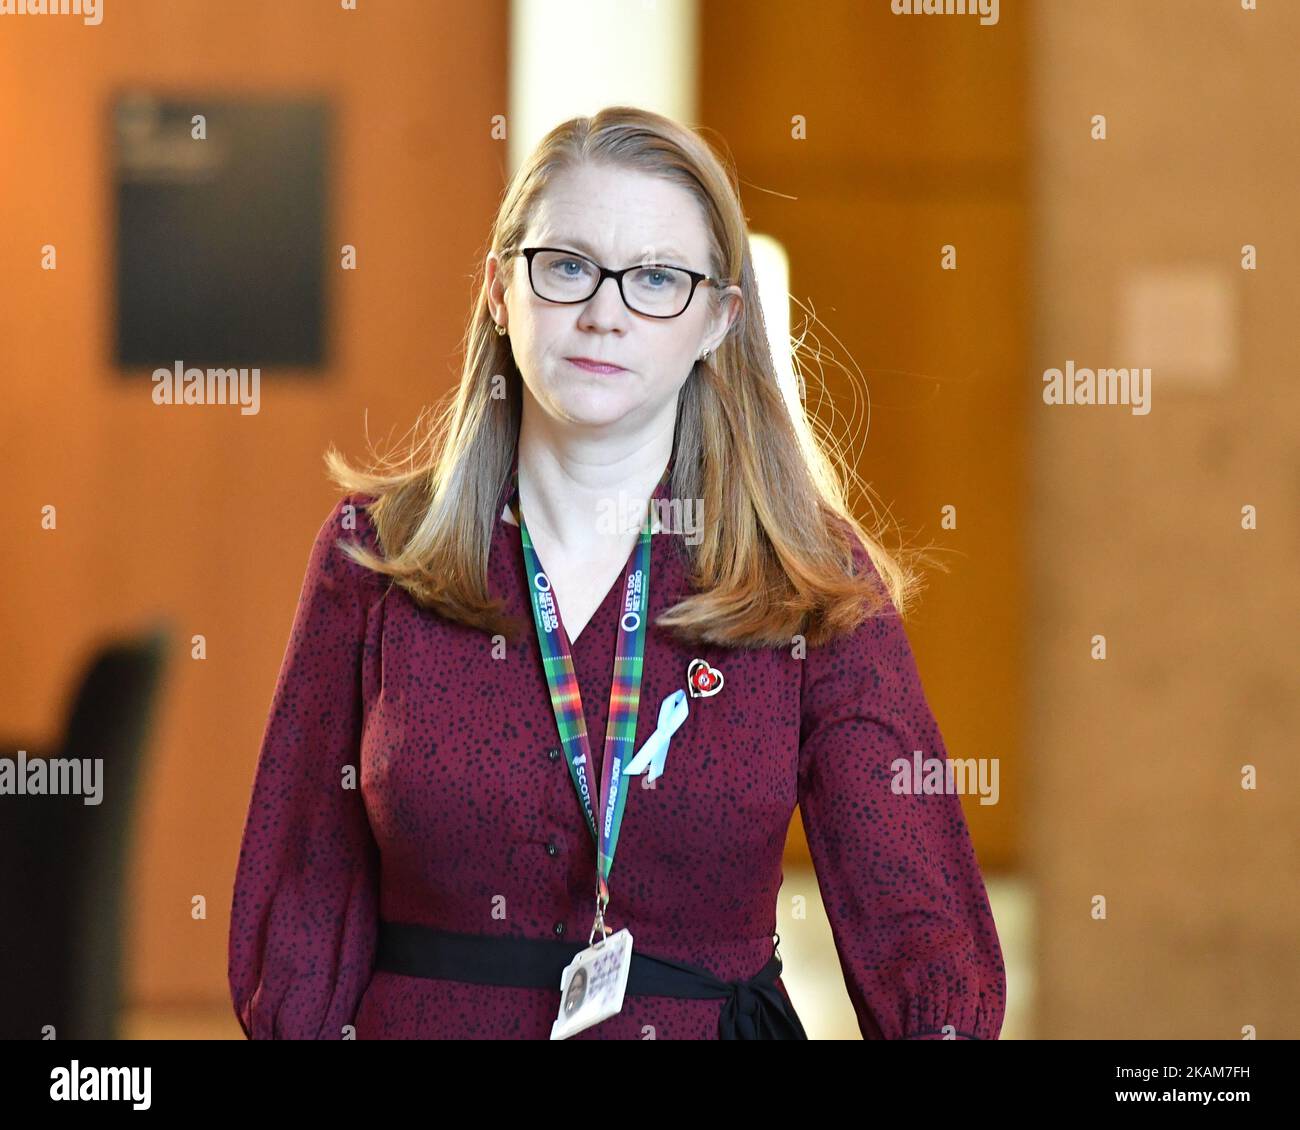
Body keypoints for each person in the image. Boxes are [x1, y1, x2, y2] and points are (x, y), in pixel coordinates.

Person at [227, 105, 1007, 1040]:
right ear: (498, 292)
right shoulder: (376, 555)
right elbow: (304, 890)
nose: (605, 312)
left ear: (719, 318)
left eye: (656, 280)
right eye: (566, 267)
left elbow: (921, 925)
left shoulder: (805, 581)